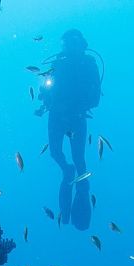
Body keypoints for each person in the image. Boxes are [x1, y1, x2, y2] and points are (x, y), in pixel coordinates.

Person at [36, 29, 102, 230]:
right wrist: (45, 100)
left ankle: (81, 190)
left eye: (75, 42)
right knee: (56, 154)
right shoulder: (58, 62)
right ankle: (67, 171)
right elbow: (45, 87)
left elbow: (96, 98)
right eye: (67, 43)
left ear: (82, 44)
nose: (71, 47)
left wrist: (77, 106)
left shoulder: (89, 64)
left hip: (77, 118)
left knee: (79, 159)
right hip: (56, 115)